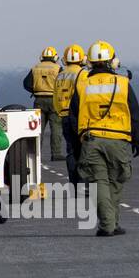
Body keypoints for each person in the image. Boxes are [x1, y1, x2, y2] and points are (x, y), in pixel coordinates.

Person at [66, 41, 139, 237]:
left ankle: (108, 224)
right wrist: (138, 140)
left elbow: (72, 118)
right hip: (119, 140)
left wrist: (76, 145)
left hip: (92, 141)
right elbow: (135, 113)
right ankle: (111, 224)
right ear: (111, 61)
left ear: (90, 62)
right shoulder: (123, 83)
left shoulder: (82, 85)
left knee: (97, 182)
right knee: (115, 182)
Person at [53, 45, 87, 184]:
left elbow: (55, 97)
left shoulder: (60, 74)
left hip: (64, 115)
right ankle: (83, 181)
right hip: (78, 116)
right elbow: (85, 96)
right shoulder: (82, 74)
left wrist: (61, 112)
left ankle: (74, 182)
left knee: (71, 151)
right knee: (84, 150)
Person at [23, 47, 63, 161]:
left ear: (42, 57)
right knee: (56, 128)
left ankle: (36, 154)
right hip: (54, 100)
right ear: (55, 57)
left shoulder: (35, 68)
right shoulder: (58, 68)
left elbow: (26, 83)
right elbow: (62, 84)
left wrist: (35, 90)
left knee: (38, 129)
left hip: (39, 100)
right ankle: (56, 154)